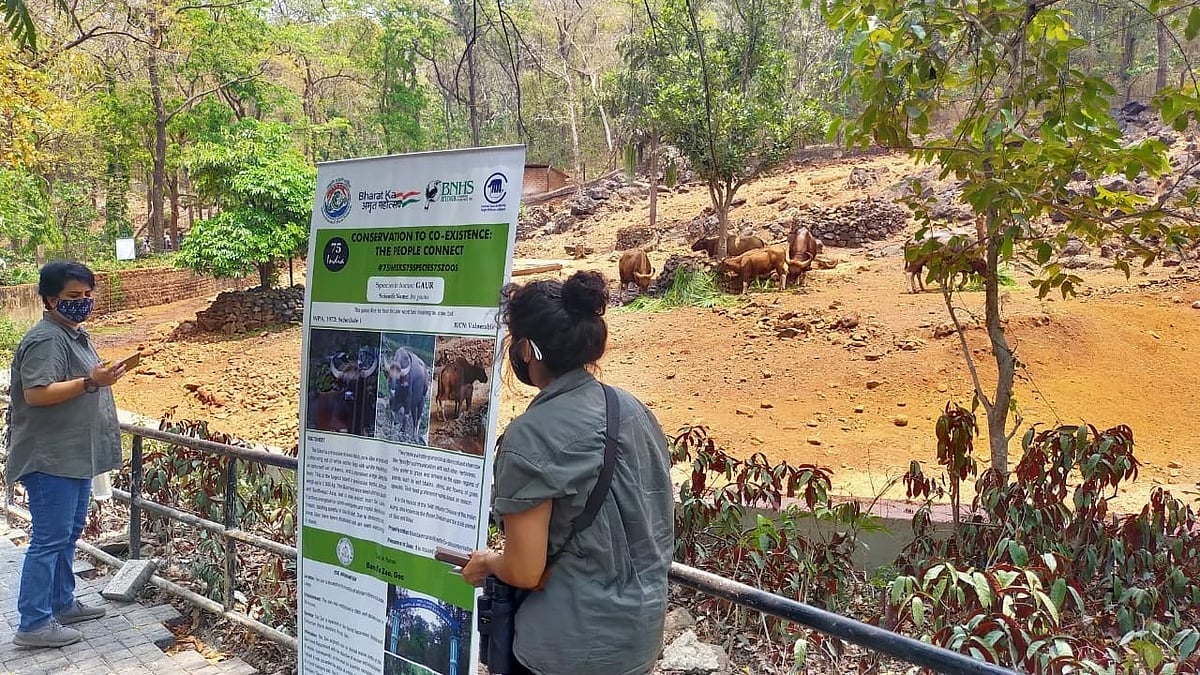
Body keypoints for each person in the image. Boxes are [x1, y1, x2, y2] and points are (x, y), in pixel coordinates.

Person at [460, 271, 675, 675]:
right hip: (639, 640)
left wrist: (487, 562)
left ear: (526, 351)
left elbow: (524, 569)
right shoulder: (632, 409)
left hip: (565, 650)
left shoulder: (530, 436)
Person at [7, 261, 127, 648]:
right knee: (48, 538)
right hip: (51, 458)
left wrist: (97, 378)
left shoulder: (74, 335)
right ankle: (33, 623)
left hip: (74, 454)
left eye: (88, 296)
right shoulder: (47, 339)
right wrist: (90, 382)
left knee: (67, 534)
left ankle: (61, 602)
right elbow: (36, 394)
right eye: (74, 297)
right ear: (49, 299)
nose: (83, 303)